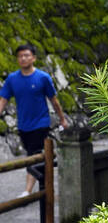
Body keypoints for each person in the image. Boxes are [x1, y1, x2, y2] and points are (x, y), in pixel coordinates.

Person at [0, 43, 70, 194]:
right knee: (34, 156)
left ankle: (28, 190)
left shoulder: (42, 78)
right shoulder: (12, 79)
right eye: (20, 56)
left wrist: (62, 119)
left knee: (33, 154)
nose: (23, 58)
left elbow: (54, 100)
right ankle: (45, 182)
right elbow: (3, 100)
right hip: (23, 125)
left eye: (26, 55)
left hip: (41, 123)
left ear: (33, 58)